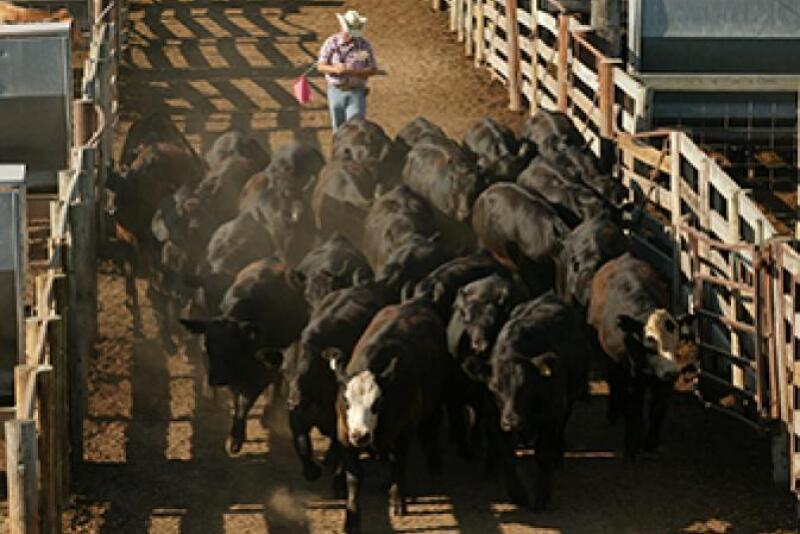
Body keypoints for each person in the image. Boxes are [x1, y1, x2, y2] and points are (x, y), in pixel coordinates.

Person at [317, 10, 379, 132]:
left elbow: (372, 69)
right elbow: (321, 66)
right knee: (338, 128)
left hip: (356, 90)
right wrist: (335, 69)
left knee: (356, 127)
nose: (351, 36)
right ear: (341, 28)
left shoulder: (363, 46)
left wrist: (352, 72)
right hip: (336, 90)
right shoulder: (331, 43)